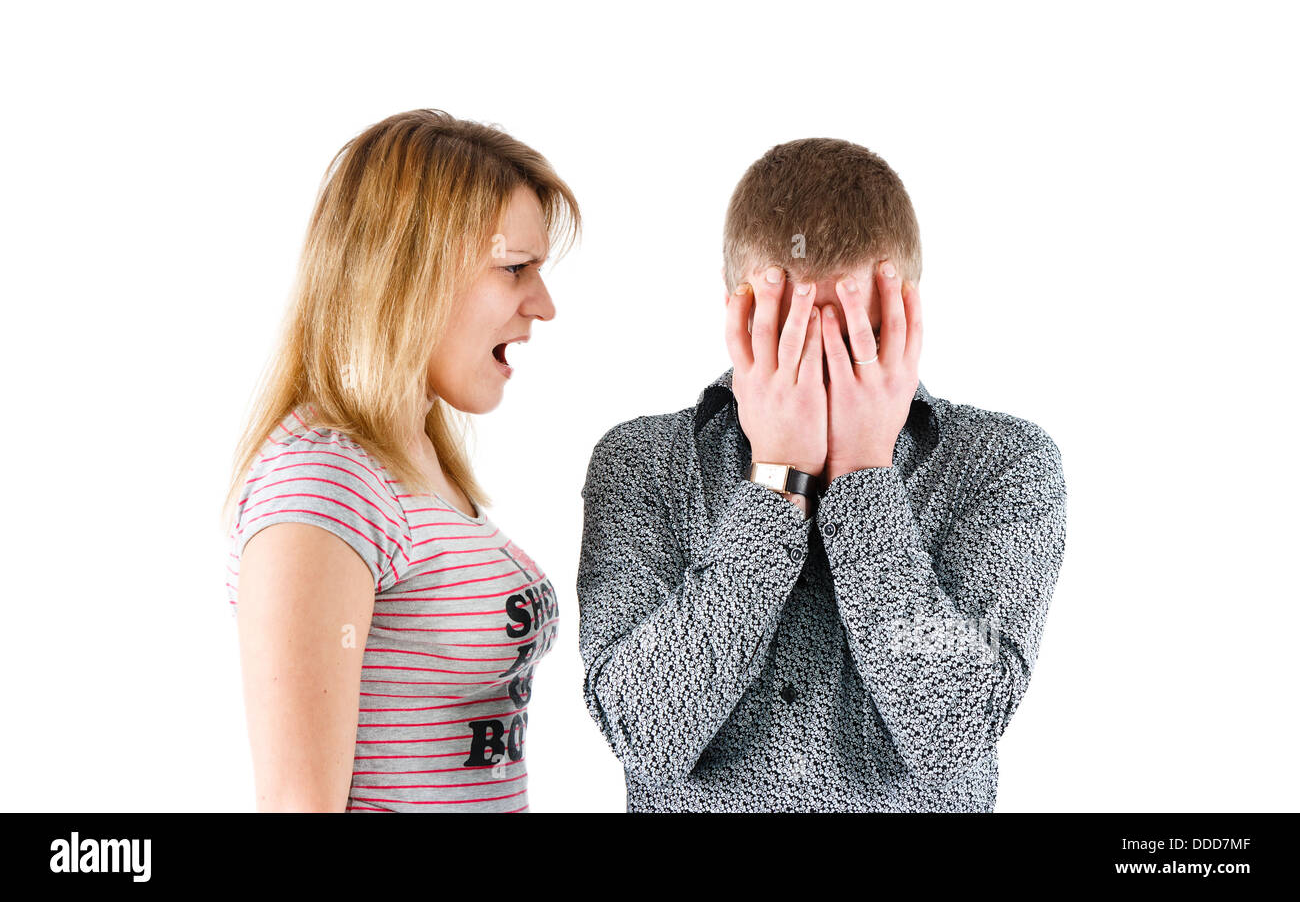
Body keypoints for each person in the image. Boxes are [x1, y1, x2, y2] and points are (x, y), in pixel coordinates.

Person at [576, 137, 1067, 812]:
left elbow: (953, 736)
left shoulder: (1004, 463)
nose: (825, 378)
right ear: (736, 317)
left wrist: (866, 477)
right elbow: (645, 734)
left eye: (859, 341)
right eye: (797, 339)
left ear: (908, 320)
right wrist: (778, 481)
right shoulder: (643, 462)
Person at [222, 109, 578, 812]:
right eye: (515, 270)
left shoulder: (417, 467)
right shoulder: (322, 484)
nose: (544, 305)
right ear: (407, 274)